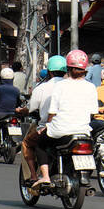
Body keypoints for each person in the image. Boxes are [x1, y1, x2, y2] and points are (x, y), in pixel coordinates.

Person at [32, 50, 100, 193]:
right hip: (82, 131)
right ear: (84, 70)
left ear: (68, 68)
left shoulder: (60, 86)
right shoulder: (91, 87)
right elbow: (94, 112)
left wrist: (47, 126)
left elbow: (52, 112)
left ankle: (45, 177)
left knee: (40, 144)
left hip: (60, 130)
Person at [21, 56, 66, 185]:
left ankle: (34, 176)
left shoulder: (42, 88)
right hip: (75, 128)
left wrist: (20, 111)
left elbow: (30, 108)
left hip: (49, 127)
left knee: (27, 143)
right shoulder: (70, 86)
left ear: (50, 72)